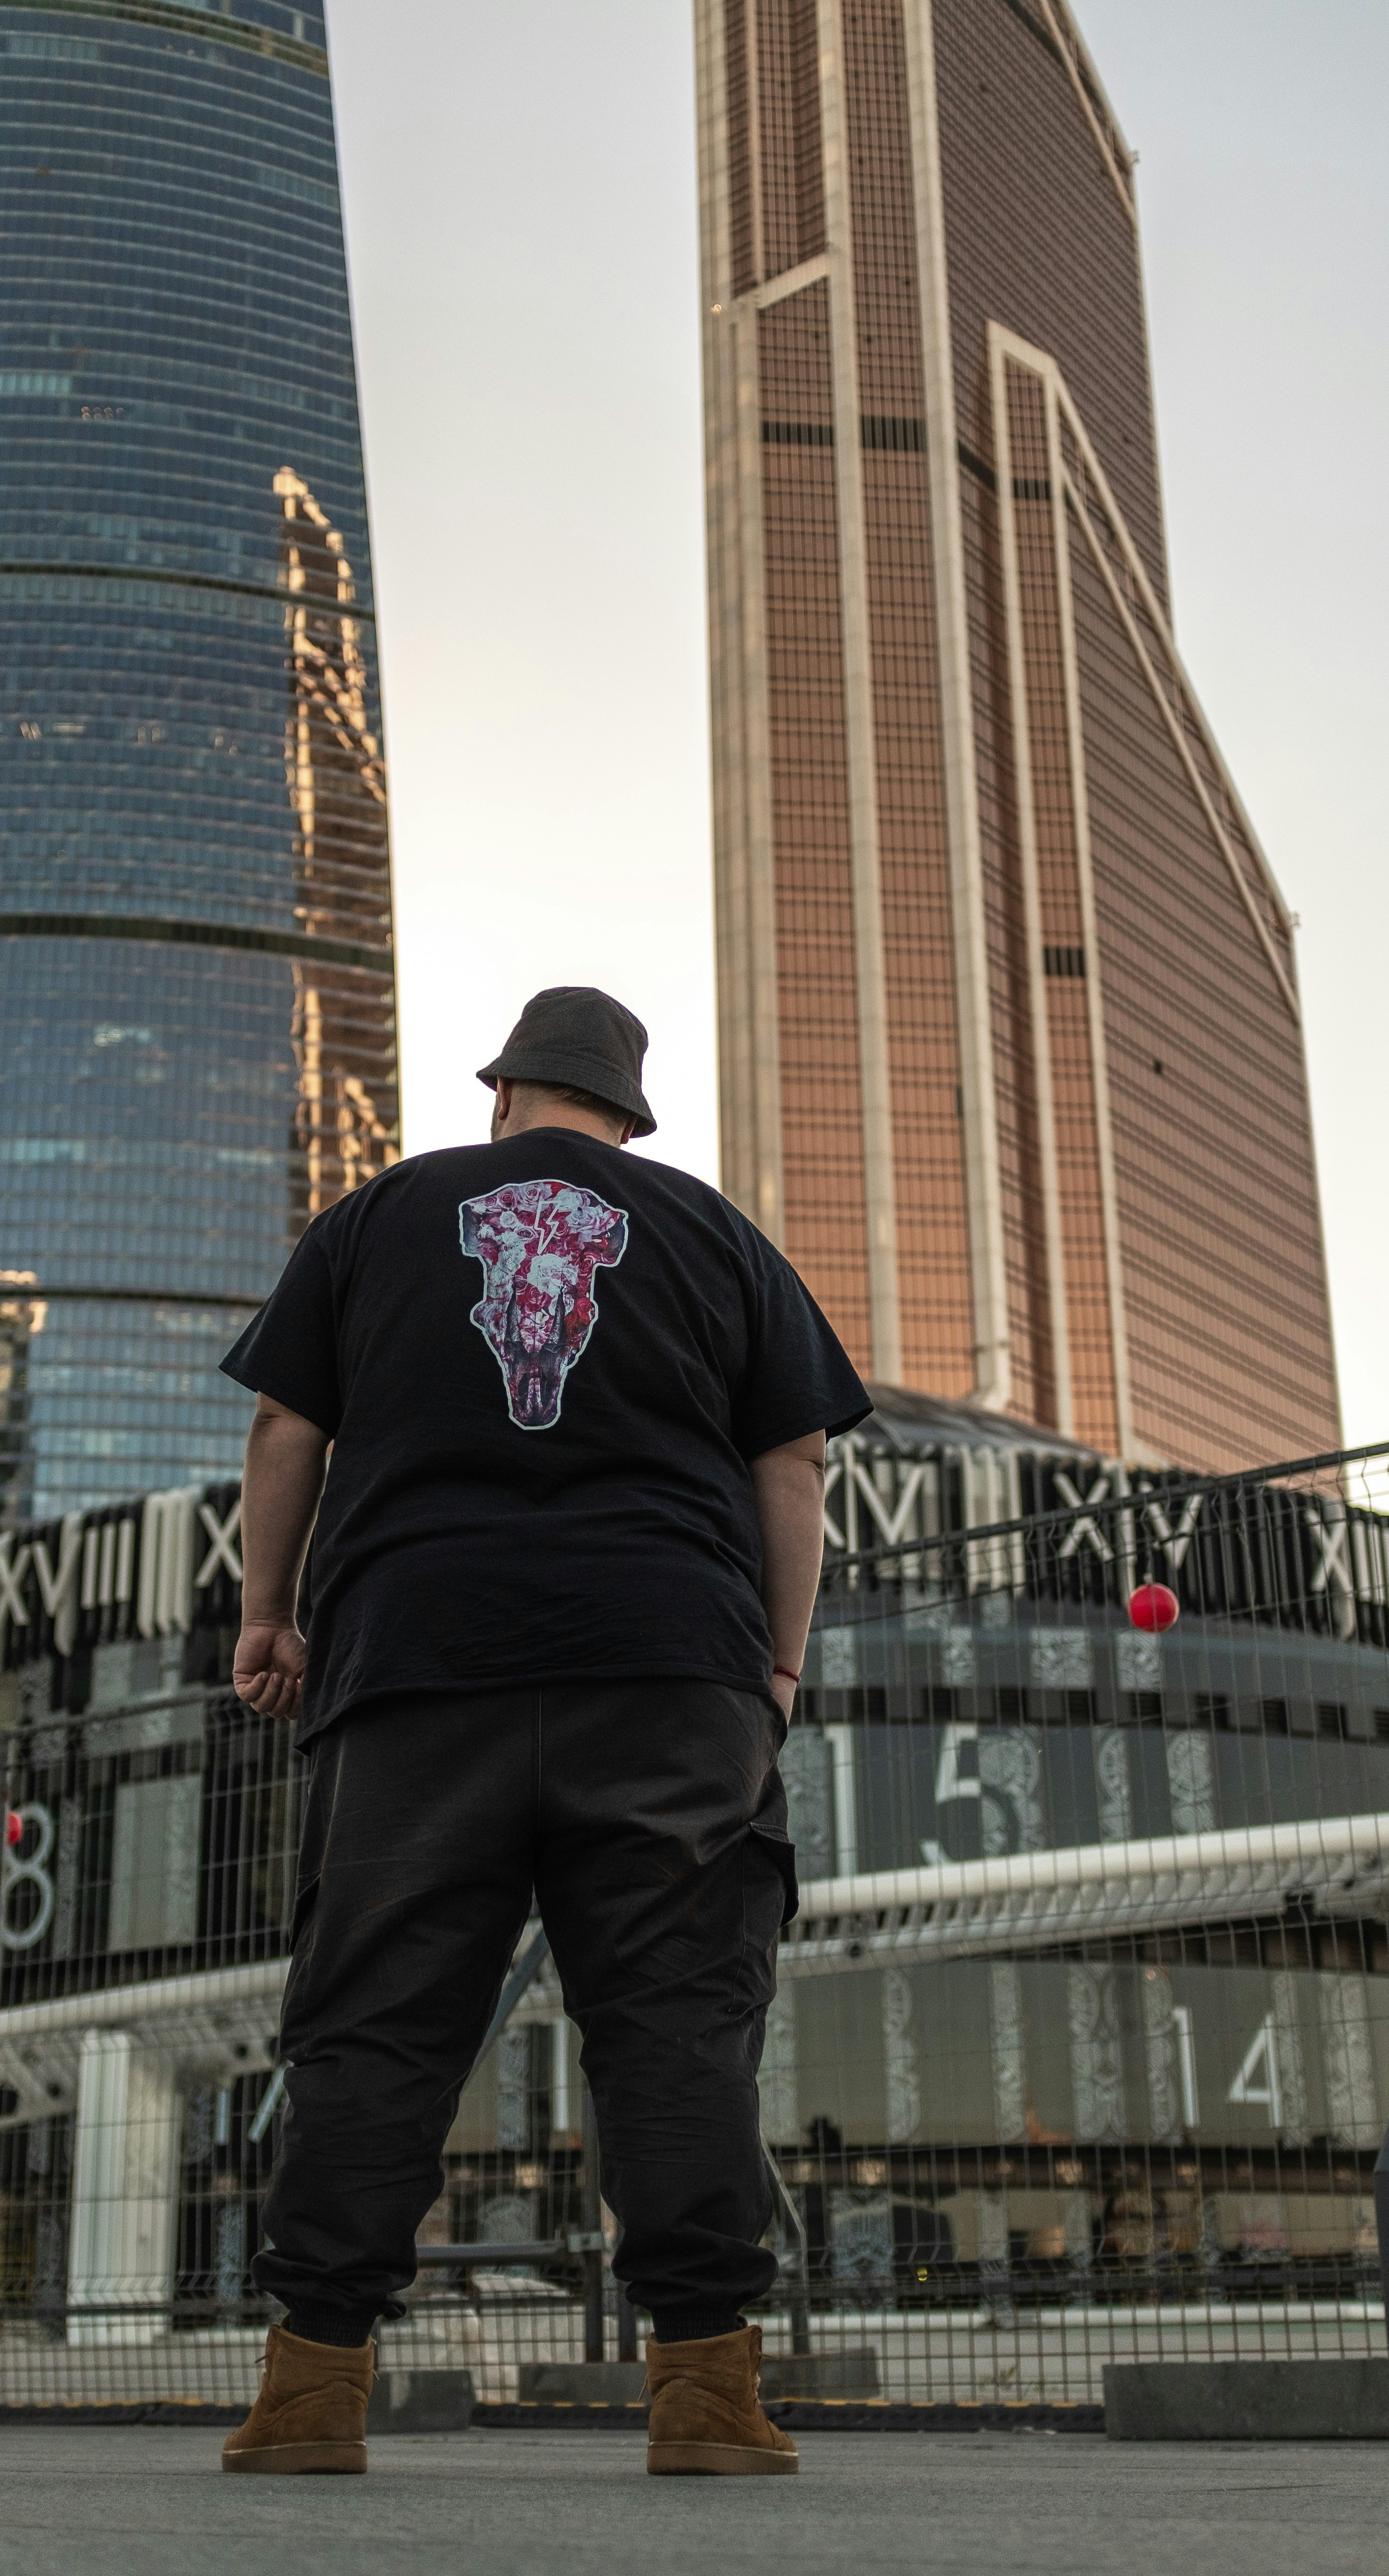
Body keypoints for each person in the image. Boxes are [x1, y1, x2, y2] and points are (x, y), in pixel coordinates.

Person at [216, 986, 869, 2478]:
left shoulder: (378, 1216)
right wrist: (774, 1663)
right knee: (676, 2024)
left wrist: (267, 1617)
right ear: (630, 1118)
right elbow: (798, 1459)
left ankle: (312, 2392)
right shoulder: (712, 1234)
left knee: (374, 2023)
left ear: (502, 1093)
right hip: (670, 1675)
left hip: (415, 1666)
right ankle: (706, 2394)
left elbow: (285, 1432)